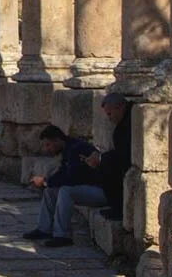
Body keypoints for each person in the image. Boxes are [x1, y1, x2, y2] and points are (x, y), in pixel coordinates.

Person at [23, 124, 105, 247]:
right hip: (88, 189)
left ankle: (62, 235)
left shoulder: (77, 148)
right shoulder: (69, 149)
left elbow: (71, 177)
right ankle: (44, 229)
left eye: (48, 144)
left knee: (66, 191)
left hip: (101, 191)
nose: (47, 149)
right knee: (50, 191)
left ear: (57, 140)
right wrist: (47, 182)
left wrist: (45, 181)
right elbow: (64, 172)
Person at [86, 93, 131, 221]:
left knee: (107, 166)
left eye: (110, 114)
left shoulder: (129, 123)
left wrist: (101, 159)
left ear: (120, 108)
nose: (108, 118)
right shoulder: (123, 123)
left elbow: (124, 153)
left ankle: (118, 209)